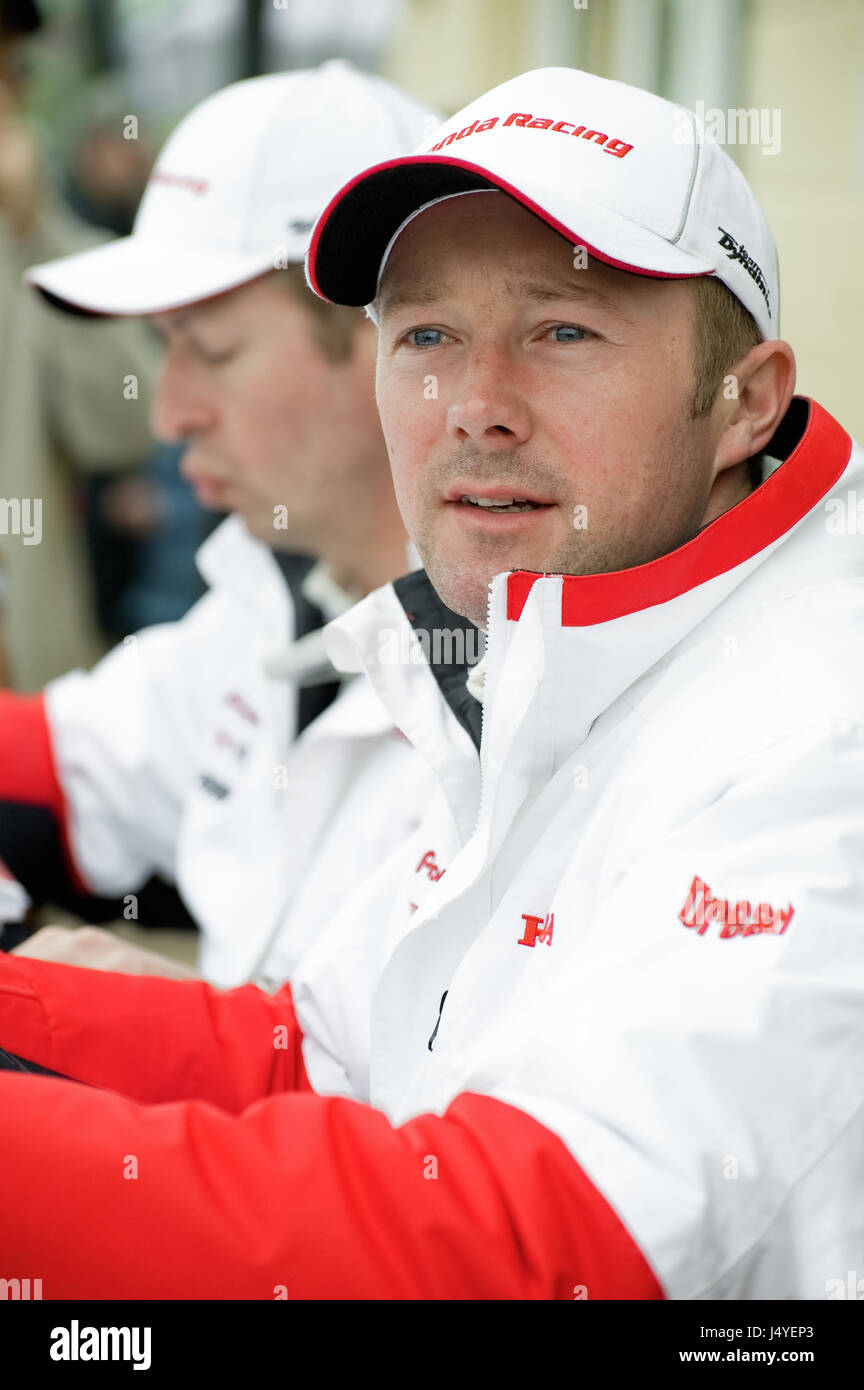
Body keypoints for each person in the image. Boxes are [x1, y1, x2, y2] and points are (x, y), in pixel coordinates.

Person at [1, 65, 863, 1300]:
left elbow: (523, 1250)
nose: (476, 407)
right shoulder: (550, 626)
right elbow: (324, 1053)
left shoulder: (820, 732)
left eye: (563, 330)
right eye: (424, 335)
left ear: (746, 401)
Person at [0, 61, 440, 984]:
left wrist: (119, 1028)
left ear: (393, 346)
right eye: (165, 350)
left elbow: (411, 1118)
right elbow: (65, 768)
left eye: (212, 349)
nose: (168, 415)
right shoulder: (274, 593)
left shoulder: (537, 680)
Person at [0, 0, 161, 689]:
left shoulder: (38, 246)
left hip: (28, 696)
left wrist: (33, 231)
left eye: (14, 72)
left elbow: (127, 425)